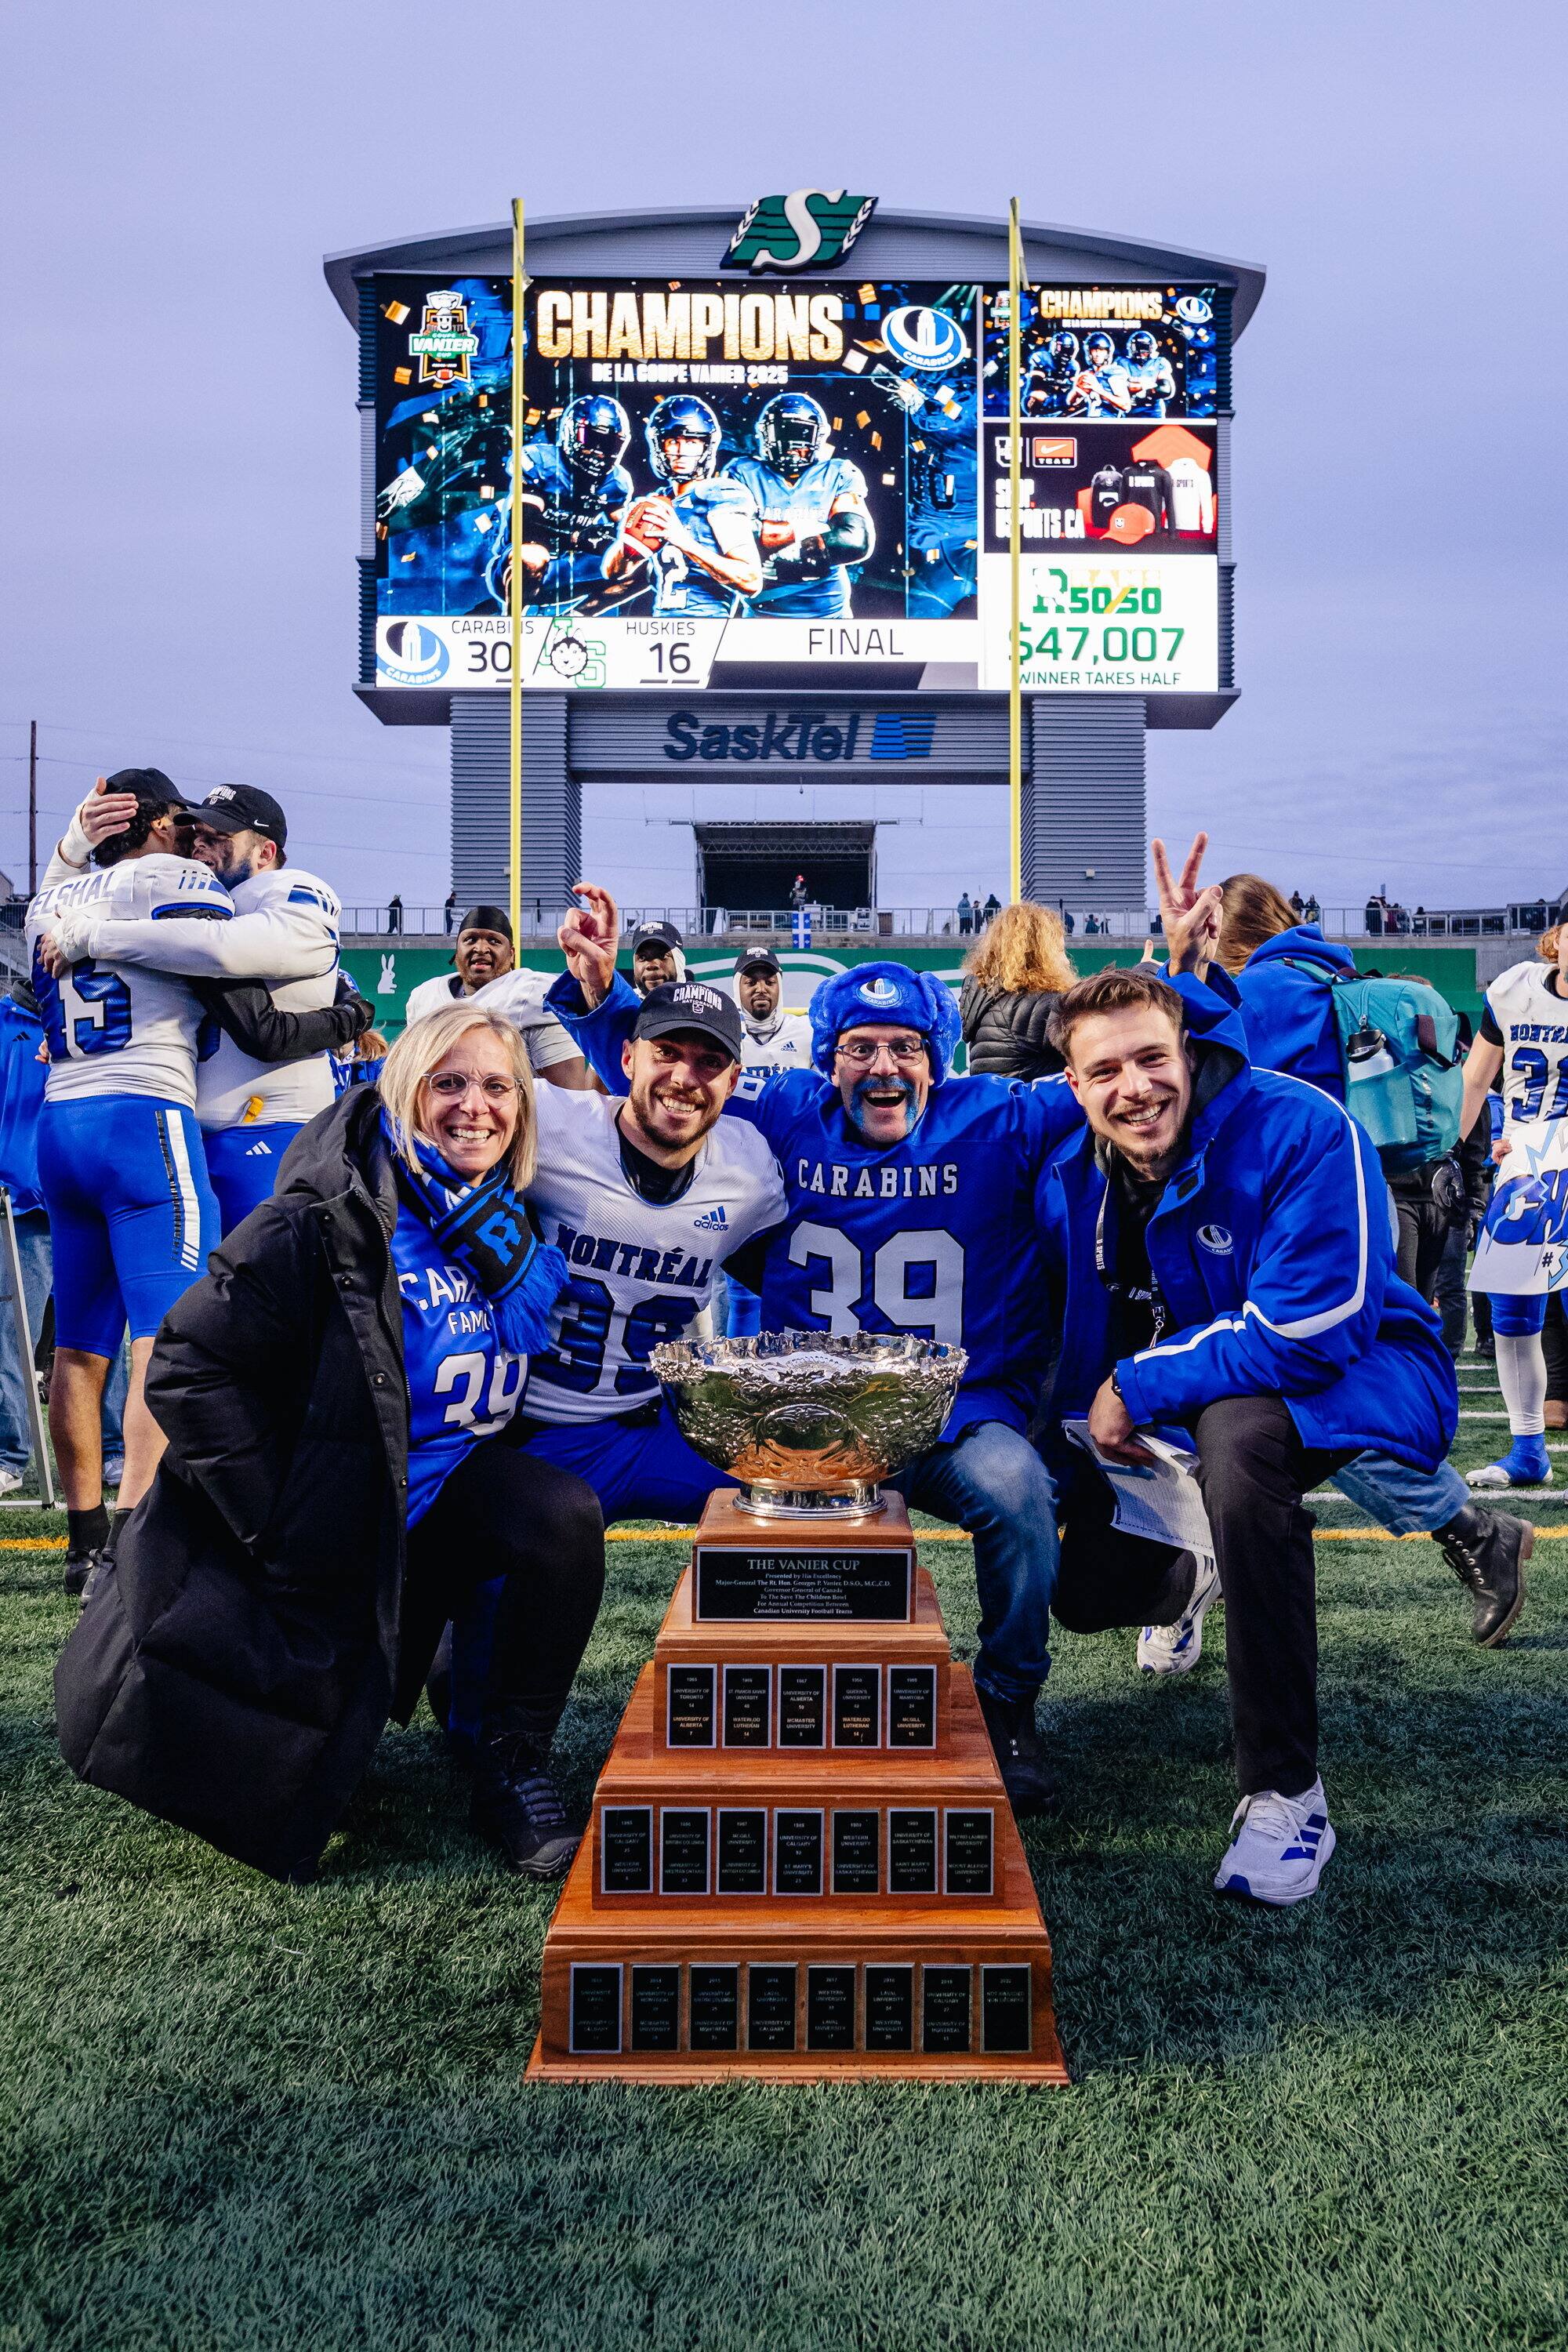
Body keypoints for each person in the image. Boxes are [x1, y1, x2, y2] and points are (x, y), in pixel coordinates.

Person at [545, 871, 1236, 1813]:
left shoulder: (999, 1117)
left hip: (957, 1412)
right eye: (860, 1047)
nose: (882, 1067)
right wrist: (603, 1000)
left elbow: (1127, 1074)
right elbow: (670, 1082)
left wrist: (1184, 972)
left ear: (936, 1057)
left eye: (904, 1048)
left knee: (1017, 1494)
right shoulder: (785, 1113)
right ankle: (791, 1707)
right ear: (828, 1057)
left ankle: (1006, 1702)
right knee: (757, 1532)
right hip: (810, 1419)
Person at [53, 1002, 604, 1885]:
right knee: (299, 1782)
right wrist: (278, 1519)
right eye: (448, 1082)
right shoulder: (329, 1214)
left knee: (559, 1517)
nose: (475, 1106)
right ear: (403, 1090)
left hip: (431, 1504)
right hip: (336, 1519)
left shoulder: (510, 1226)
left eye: (498, 1087)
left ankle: (511, 1759)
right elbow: (190, 1366)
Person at [1037, 962, 1459, 1904]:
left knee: (1241, 1444)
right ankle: (1193, 1576)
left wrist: (1136, 1381)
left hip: (1342, 1376)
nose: (1132, 1087)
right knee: (1086, 1597)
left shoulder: (1301, 1125)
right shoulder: (1066, 1146)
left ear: (1188, 1051)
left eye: (1152, 1058)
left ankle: (1284, 1791)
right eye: (1103, 1071)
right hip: (1168, 1395)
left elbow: (1312, 1331)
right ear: (1072, 1085)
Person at [1195, 861, 1529, 1642]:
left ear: (1224, 933)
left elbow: (1213, 1088)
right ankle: (1470, 1531)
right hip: (1368, 1203)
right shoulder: (1335, 978)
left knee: (1283, 1397)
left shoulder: (1264, 993)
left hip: (1300, 1214)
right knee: (1290, 1397)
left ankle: (1469, 1530)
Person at [27, 771, 333, 1592]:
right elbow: (227, 962)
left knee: (78, 1346)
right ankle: (137, 1547)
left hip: (61, 1126)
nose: (195, 838)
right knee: (163, 1339)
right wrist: (342, 1011)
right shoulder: (173, 878)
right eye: (183, 823)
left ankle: (84, 1543)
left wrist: (72, 844)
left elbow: (53, 917)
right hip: (144, 1118)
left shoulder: (52, 899)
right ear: (156, 823)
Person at [82, 786, 372, 1234]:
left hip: (270, 1132)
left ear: (265, 852)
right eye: (196, 834)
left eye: (218, 837)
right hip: (196, 1137)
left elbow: (223, 953)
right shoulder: (197, 901)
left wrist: (93, 935)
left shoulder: (289, 889)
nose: (200, 846)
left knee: (261, 1287)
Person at [1457, 923, 1568, 1490]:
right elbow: (1475, 1079)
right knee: (1511, 1314)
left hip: (1558, 1160)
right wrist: (1453, 1152)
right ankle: (1528, 1449)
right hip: (1526, 1168)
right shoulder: (1513, 989)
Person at [720, 950, 813, 1338]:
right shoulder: (724, 1034)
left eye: (768, 980)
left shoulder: (804, 1033)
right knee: (738, 1289)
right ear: (737, 987)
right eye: (750, 980)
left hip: (792, 1173)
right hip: (736, 1172)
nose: (760, 988)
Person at [405, 904, 590, 1091]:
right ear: (457, 950)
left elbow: (568, 1096)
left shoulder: (532, 993)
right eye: (470, 940)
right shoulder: (424, 997)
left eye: (493, 941)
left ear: (511, 955)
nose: (481, 948)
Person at [960, 902, 1075, 1080]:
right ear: (1038, 956)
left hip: (999, 1107)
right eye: (1060, 951)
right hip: (1034, 1107)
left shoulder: (989, 1003)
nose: (1067, 962)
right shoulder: (1038, 1006)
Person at [627, 920, 683, 996]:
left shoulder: (699, 1005)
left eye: (662, 956)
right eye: (642, 957)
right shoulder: (623, 1006)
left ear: (679, 961)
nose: (651, 965)